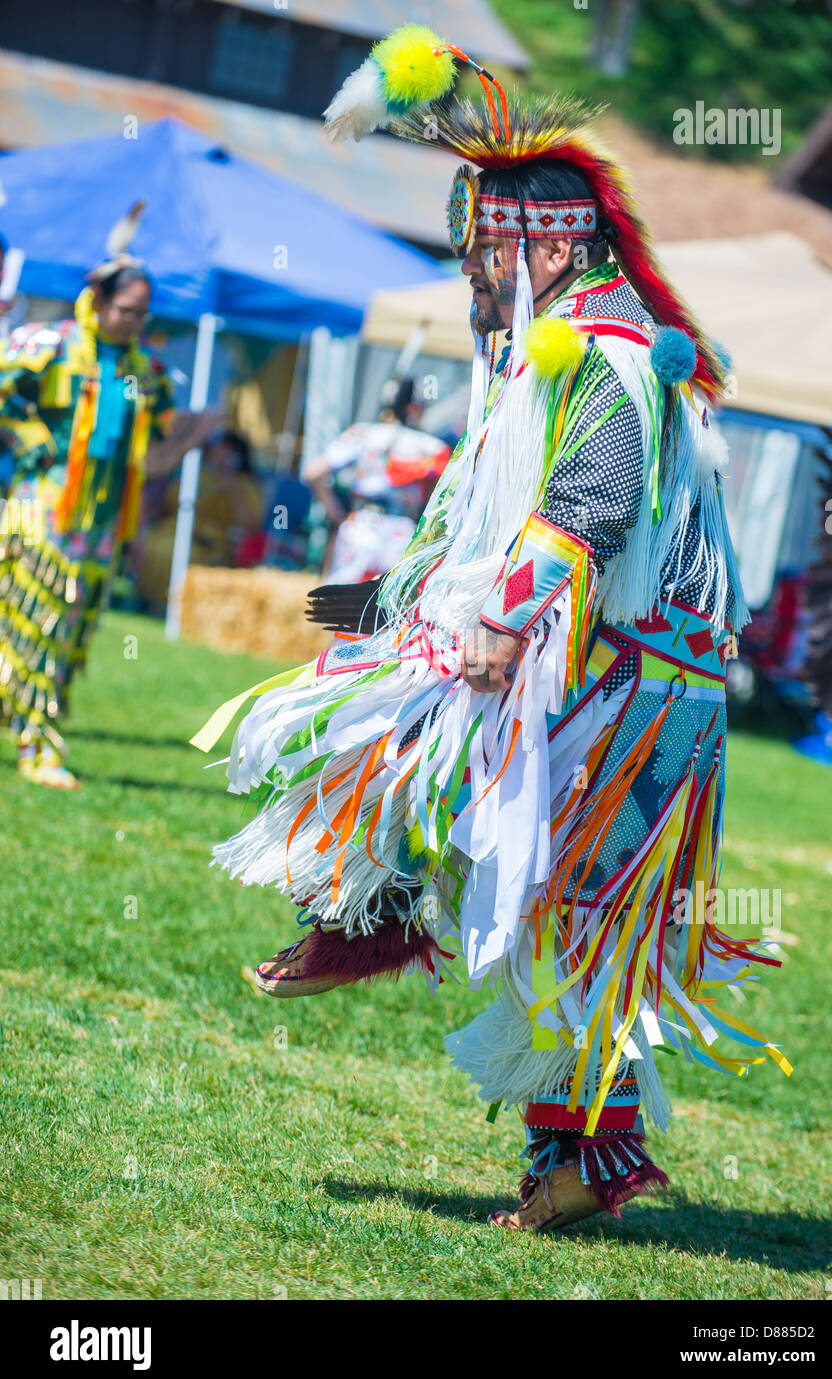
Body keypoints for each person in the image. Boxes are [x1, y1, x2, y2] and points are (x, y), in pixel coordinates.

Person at [196, 24, 790, 1232]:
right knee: (536, 908)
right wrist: (415, 607)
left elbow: (593, 496)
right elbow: (494, 507)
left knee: (558, 919)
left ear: (531, 246)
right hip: (606, 683)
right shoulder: (558, 352)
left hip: (628, 695)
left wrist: (509, 624)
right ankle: (395, 947)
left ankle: (382, 934)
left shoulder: (608, 358)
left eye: (476, 249)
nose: (466, 271)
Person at [0, 243, 173, 788]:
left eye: (144, 314)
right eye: (127, 311)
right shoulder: (49, 345)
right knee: (31, 624)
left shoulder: (144, 368)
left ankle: (38, 741)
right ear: (96, 300)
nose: (135, 323)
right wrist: (29, 438)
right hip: (44, 511)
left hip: (100, 524)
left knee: (66, 635)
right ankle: (36, 746)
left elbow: (156, 435)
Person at [302, 377, 450, 583]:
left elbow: (313, 472)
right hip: (404, 534)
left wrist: (335, 513)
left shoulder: (361, 434)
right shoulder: (432, 448)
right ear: (414, 408)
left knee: (337, 604)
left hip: (360, 527)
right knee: (389, 610)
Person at [135, 429, 263, 610]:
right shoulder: (192, 473)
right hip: (171, 530)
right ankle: (145, 598)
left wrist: (232, 486)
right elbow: (169, 504)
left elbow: (250, 524)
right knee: (151, 545)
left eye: (223, 449)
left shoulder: (244, 485)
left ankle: (167, 605)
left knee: (172, 553)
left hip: (209, 543)